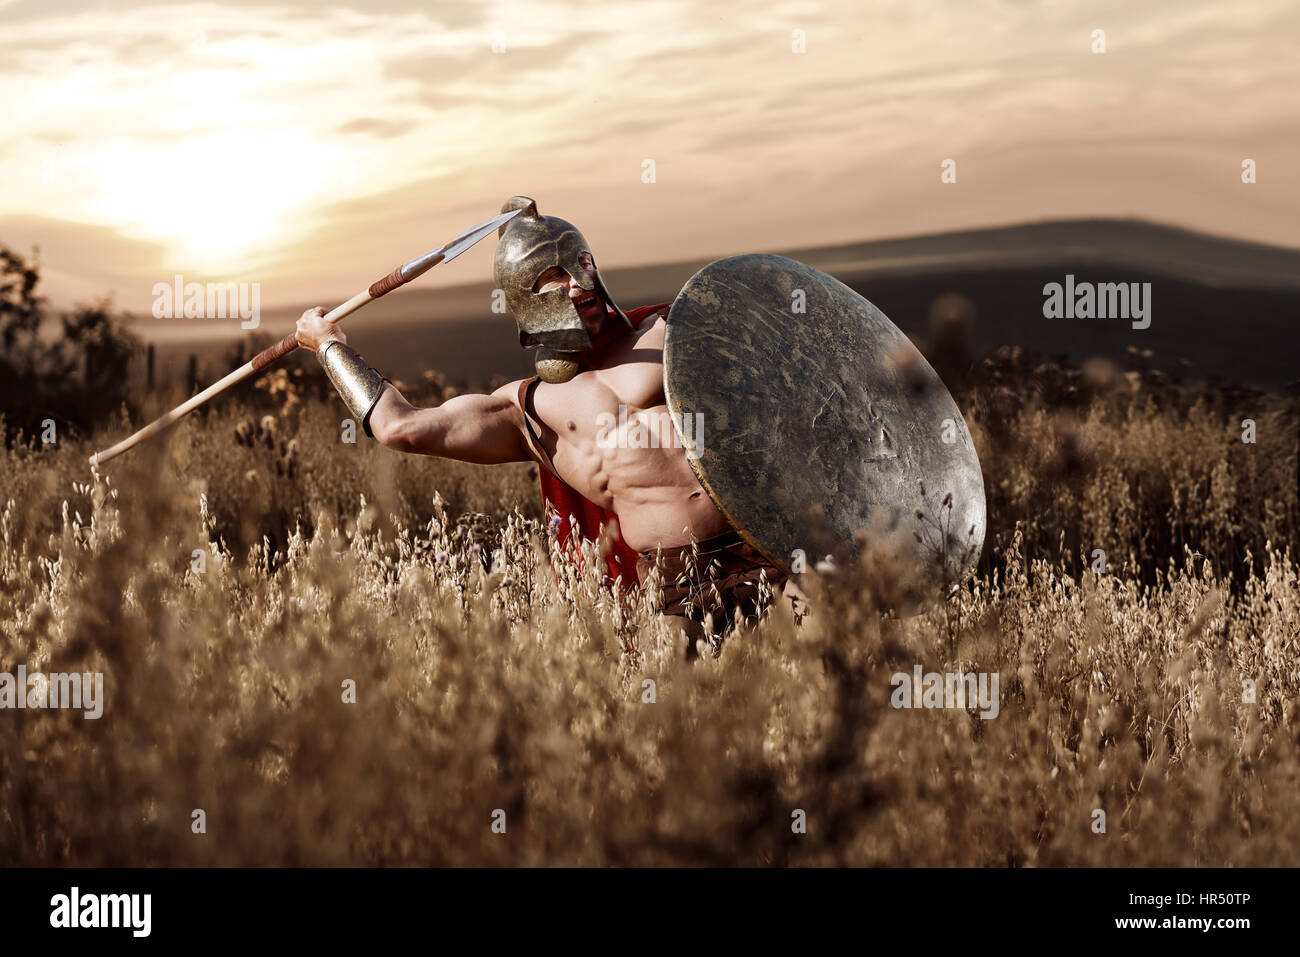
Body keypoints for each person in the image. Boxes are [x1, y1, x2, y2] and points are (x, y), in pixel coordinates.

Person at [296, 196, 789, 644]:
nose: (579, 282)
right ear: (524, 298)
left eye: (583, 264)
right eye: (554, 276)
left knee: (845, 658)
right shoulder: (525, 410)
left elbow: (790, 377)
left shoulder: (674, 329)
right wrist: (330, 345)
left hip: (774, 546)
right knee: (661, 714)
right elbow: (399, 427)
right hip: (677, 584)